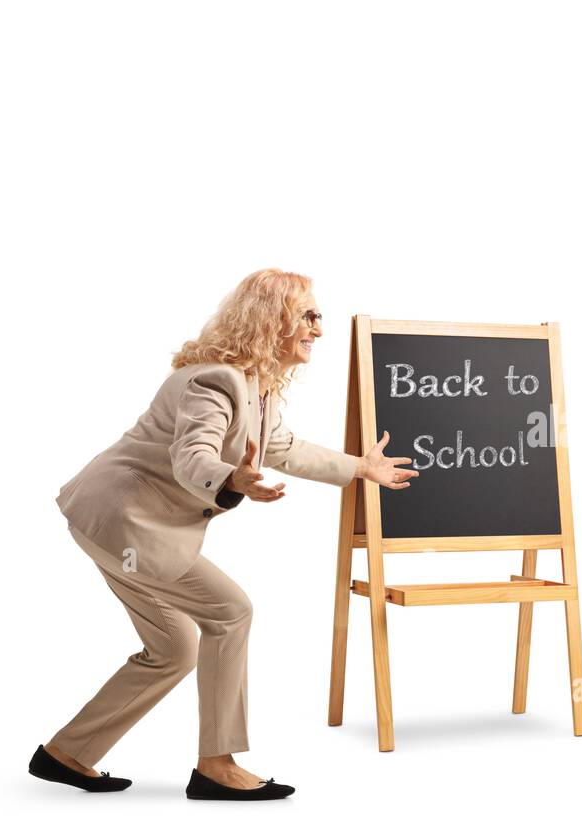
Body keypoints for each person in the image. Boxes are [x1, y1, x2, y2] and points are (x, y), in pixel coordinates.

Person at [30, 268, 418, 800]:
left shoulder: (258, 387)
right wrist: (229, 478)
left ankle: (66, 753)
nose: (318, 329)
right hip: (126, 522)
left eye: (318, 315)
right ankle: (217, 764)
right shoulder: (215, 380)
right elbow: (192, 456)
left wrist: (359, 467)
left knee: (172, 650)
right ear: (270, 319)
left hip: (119, 523)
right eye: (307, 315)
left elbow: (282, 447)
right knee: (230, 611)